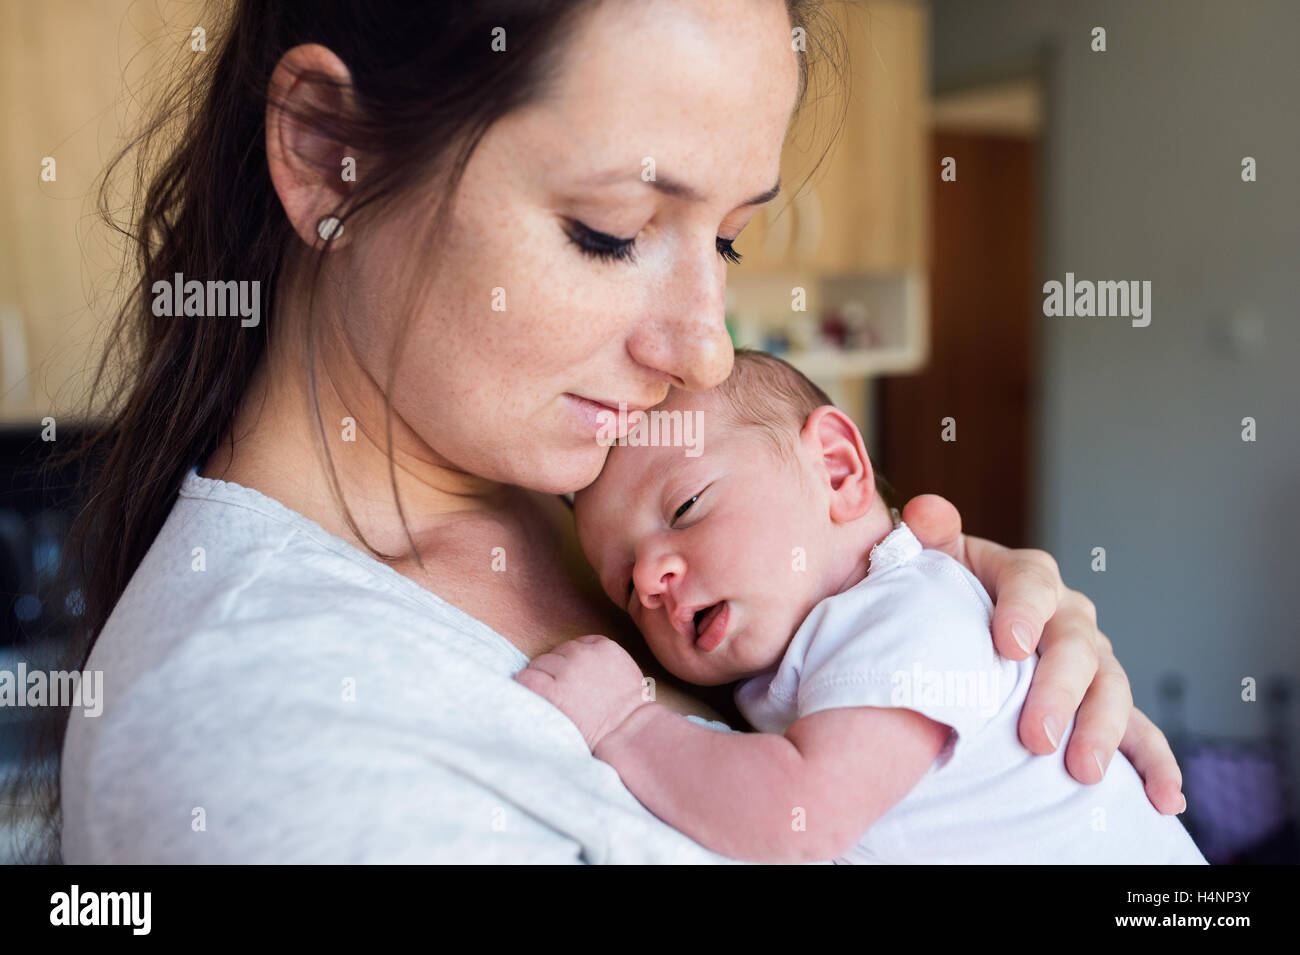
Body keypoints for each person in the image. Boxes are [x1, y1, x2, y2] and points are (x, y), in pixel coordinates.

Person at [52, 0, 1183, 863]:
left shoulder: (591, 493)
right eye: (610, 232)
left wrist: (1000, 663)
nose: (702, 348)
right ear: (325, 154)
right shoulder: (264, 740)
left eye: (728, 240)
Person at [518, 351, 1205, 863]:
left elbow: (798, 812)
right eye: (623, 589)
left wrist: (626, 725)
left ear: (839, 469)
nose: (650, 576)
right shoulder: (813, 645)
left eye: (687, 506)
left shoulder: (903, 617)